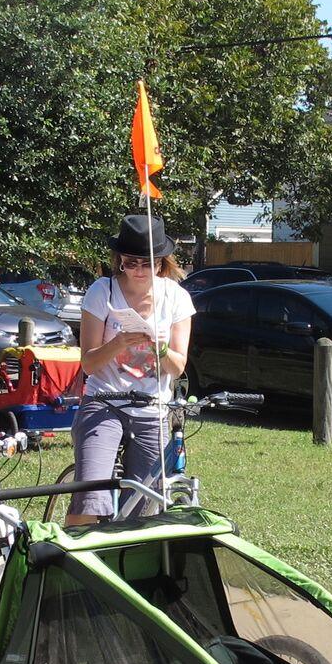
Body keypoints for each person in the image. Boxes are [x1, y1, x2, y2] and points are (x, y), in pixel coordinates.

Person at [68, 214, 196, 526]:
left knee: (141, 509)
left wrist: (160, 348)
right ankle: (69, 551)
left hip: (152, 408)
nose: (138, 270)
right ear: (119, 261)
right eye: (130, 262)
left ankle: (120, 552)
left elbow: (178, 367)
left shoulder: (176, 298)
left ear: (161, 263)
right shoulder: (103, 291)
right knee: (91, 493)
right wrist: (119, 342)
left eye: (146, 263)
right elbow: (88, 363)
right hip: (104, 402)